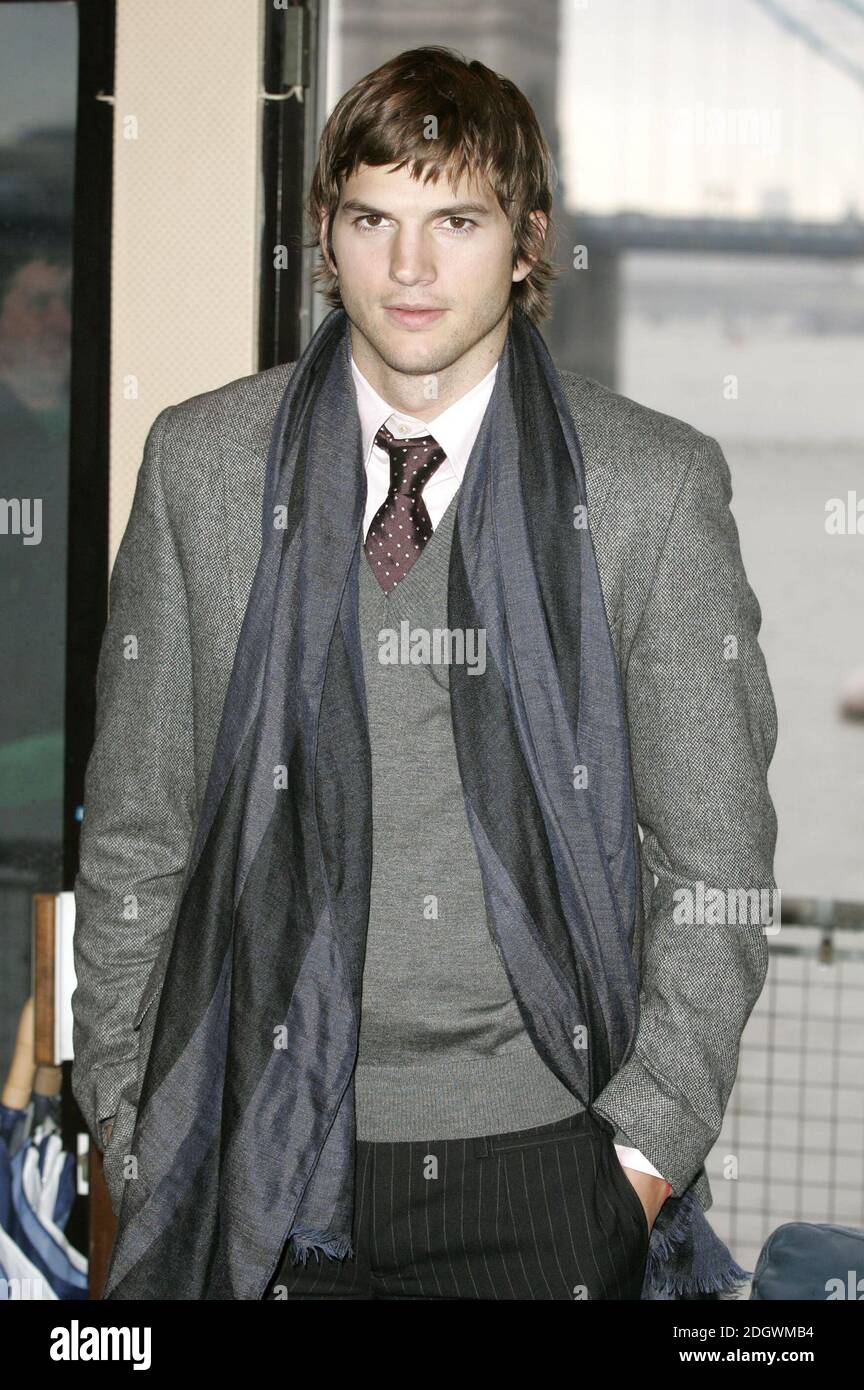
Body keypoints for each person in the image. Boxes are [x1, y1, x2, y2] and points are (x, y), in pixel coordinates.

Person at [71, 46, 778, 1301]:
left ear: (526, 243)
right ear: (326, 235)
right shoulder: (203, 467)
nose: (408, 268)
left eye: (455, 219)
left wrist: (643, 1153)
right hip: (257, 1157)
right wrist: (131, 1119)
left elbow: (715, 860)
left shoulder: (648, 490)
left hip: (547, 1169)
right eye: (372, 219)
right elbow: (136, 833)